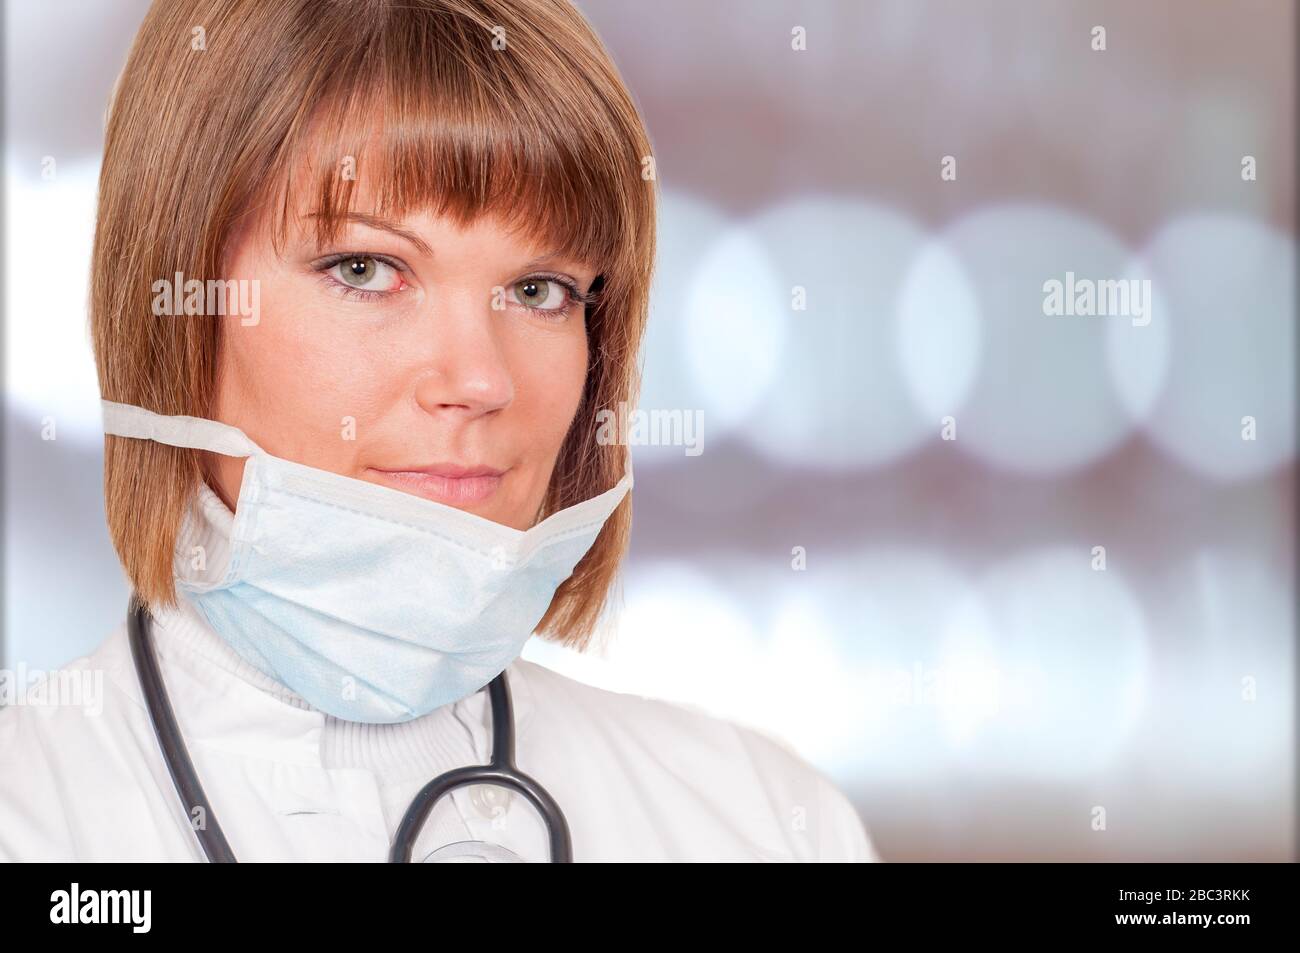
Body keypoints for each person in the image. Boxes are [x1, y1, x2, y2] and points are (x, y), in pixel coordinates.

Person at [0, 0, 880, 862]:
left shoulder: (765, 824)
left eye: (540, 290)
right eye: (366, 268)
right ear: (177, 302)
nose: (480, 380)